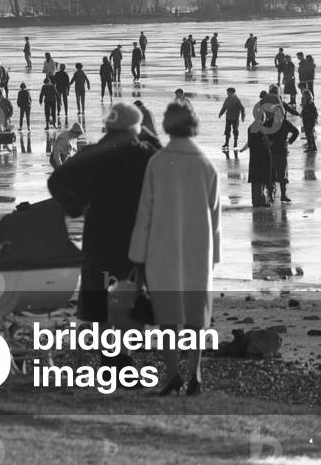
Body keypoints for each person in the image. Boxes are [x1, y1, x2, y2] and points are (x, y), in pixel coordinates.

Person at [129, 103, 221, 397]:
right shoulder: (206, 164)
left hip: (162, 249)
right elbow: (215, 216)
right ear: (193, 125)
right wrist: (214, 256)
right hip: (198, 249)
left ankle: (172, 374)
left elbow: (145, 212)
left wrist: (137, 256)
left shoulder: (157, 162)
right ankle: (195, 373)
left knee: (168, 317)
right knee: (196, 316)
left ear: (167, 126)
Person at [48, 103, 160, 338]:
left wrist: (75, 207)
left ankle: (110, 358)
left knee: (100, 304)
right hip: (134, 239)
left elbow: (57, 181)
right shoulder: (146, 153)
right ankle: (123, 353)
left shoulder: (92, 153)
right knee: (131, 299)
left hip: (98, 239)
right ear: (135, 127)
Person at [266, 111, 300, 203]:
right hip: (272, 151)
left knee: (282, 174)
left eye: (279, 114)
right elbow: (263, 131)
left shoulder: (285, 123)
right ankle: (270, 194)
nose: (278, 116)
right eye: (276, 114)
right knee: (272, 174)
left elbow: (296, 132)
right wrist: (267, 141)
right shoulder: (270, 123)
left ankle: (283, 194)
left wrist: (289, 141)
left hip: (282, 151)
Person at [300, 85, 318, 152]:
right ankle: (313, 146)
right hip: (309, 120)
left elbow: (311, 111)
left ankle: (311, 146)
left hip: (309, 120)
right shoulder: (309, 102)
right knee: (310, 133)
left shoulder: (309, 102)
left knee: (309, 134)